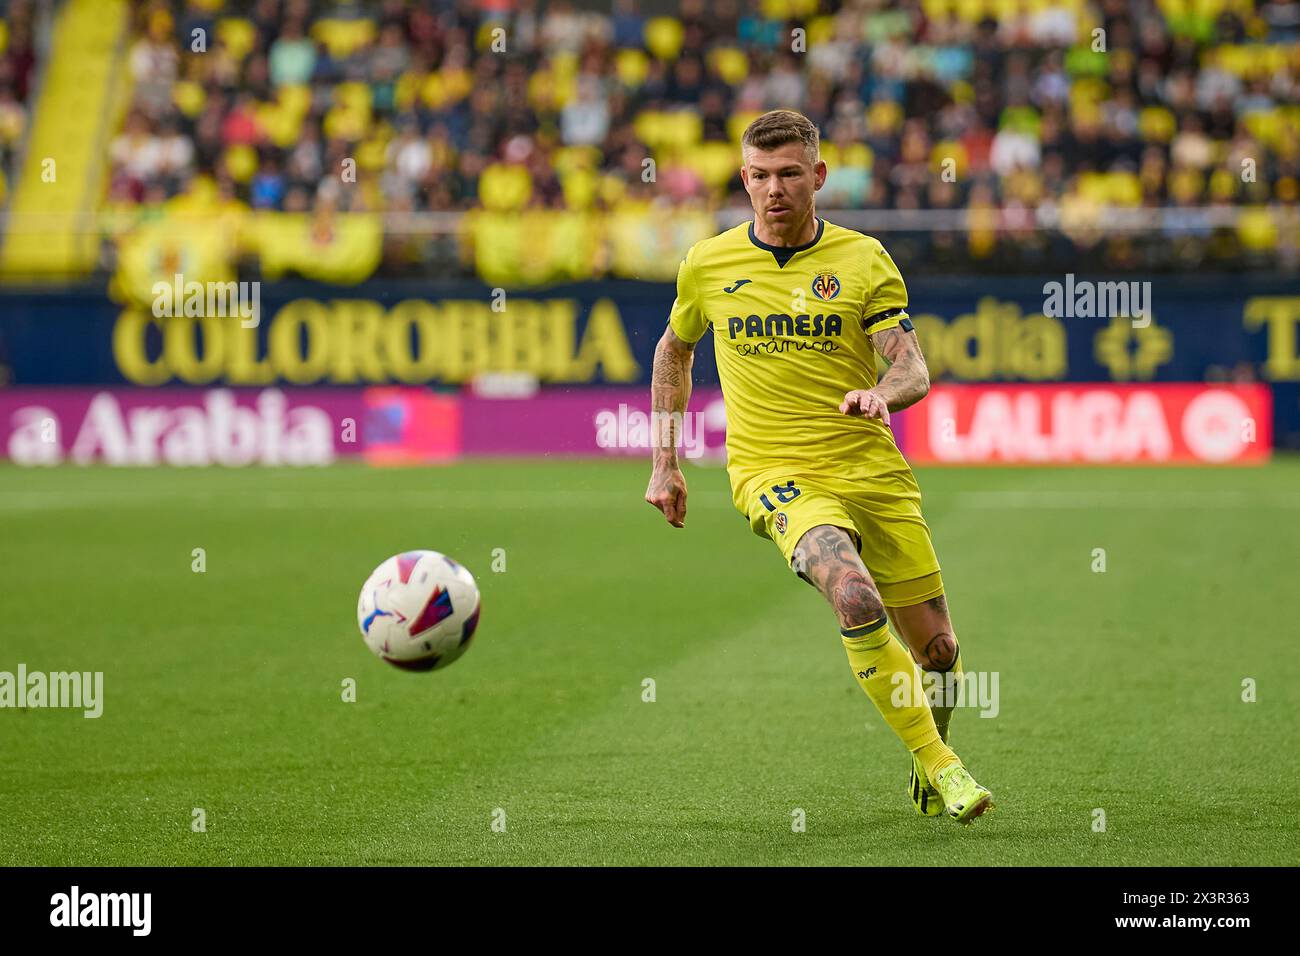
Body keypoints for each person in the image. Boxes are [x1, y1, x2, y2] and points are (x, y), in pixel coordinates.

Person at [644, 109, 993, 824]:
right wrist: (665, 463)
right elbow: (674, 350)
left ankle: (929, 747)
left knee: (939, 653)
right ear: (744, 178)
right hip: (774, 472)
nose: (774, 189)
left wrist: (881, 393)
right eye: (760, 176)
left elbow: (911, 365)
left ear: (818, 177)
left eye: (790, 174)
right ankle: (945, 765)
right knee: (853, 595)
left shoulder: (863, 259)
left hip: (870, 470)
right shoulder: (708, 263)